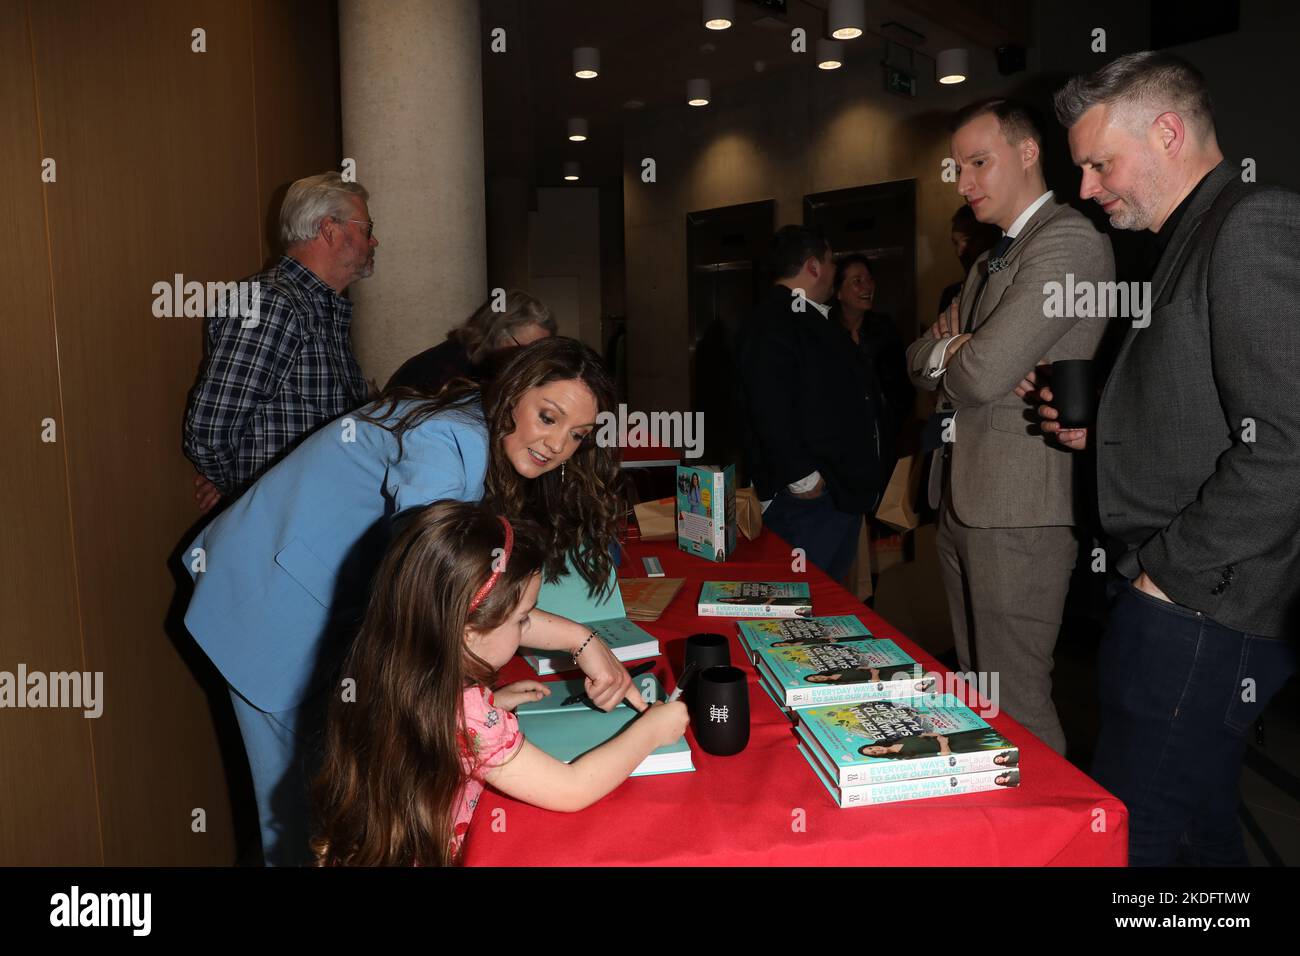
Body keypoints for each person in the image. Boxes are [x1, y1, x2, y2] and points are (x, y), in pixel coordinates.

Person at [183, 337, 636, 865]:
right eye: (548, 417)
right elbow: (441, 596)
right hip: (266, 607)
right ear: (515, 392)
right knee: (301, 825)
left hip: (318, 604)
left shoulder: (481, 427)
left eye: (577, 435)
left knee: (331, 808)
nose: (557, 444)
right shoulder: (450, 441)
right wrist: (579, 639)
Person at [1038, 50, 1300, 866]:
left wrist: (1168, 577)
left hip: (1201, 605)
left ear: (1168, 133)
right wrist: (1106, 433)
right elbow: (1219, 414)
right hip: (1183, 600)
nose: (1086, 188)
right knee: (1195, 833)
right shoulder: (1187, 237)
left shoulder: (1250, 223)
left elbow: (1289, 442)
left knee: (1132, 839)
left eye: (1098, 163)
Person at [311, 500, 689, 866]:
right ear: (468, 631)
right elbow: (571, 788)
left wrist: (496, 701)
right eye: (522, 619)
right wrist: (652, 731)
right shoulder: (467, 715)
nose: (528, 626)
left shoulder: (383, 656)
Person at [905, 98, 1114, 756]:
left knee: (1016, 698)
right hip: (966, 497)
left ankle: (1056, 822)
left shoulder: (1068, 240)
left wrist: (961, 352)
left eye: (977, 163)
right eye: (957, 168)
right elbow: (916, 361)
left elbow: (981, 375)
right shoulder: (989, 260)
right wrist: (955, 347)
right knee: (979, 691)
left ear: (1028, 153)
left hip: (1021, 508)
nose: (963, 183)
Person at [184, 172, 377, 513]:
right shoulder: (272, 303)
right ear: (330, 230)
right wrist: (245, 489)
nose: (374, 241)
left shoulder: (318, 307)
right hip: (286, 522)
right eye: (367, 229)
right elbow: (210, 428)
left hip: (316, 515)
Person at [737, 226, 884, 582]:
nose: (834, 270)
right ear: (813, 266)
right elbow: (768, 404)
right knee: (804, 598)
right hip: (809, 502)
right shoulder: (776, 319)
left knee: (826, 597)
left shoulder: (808, 315)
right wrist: (804, 479)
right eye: (831, 261)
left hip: (832, 494)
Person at [829, 254, 913, 484]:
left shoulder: (883, 328)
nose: (868, 287)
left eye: (869, 279)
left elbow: (902, 387)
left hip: (885, 437)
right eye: (857, 281)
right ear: (838, 292)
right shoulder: (826, 333)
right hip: (842, 440)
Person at [385, 290, 556, 395]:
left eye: (540, 354)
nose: (531, 362)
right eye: (525, 351)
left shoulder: (479, 366)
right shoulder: (447, 372)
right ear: (496, 333)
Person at [937, 204, 1002, 316]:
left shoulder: (1006, 277)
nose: (959, 252)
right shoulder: (951, 295)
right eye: (955, 243)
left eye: (967, 240)